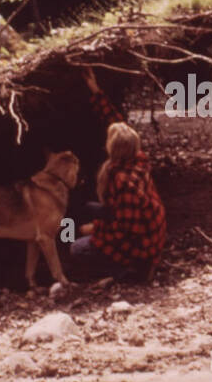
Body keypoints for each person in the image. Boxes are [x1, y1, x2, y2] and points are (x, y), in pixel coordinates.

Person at [70, 67, 166, 283]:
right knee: (83, 209)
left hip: (141, 246)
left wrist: (93, 229)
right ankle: (67, 235)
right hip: (138, 229)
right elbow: (115, 121)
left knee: (77, 249)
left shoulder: (124, 182)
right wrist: (94, 89)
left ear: (113, 148)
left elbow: (126, 229)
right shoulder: (137, 156)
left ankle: (129, 272)